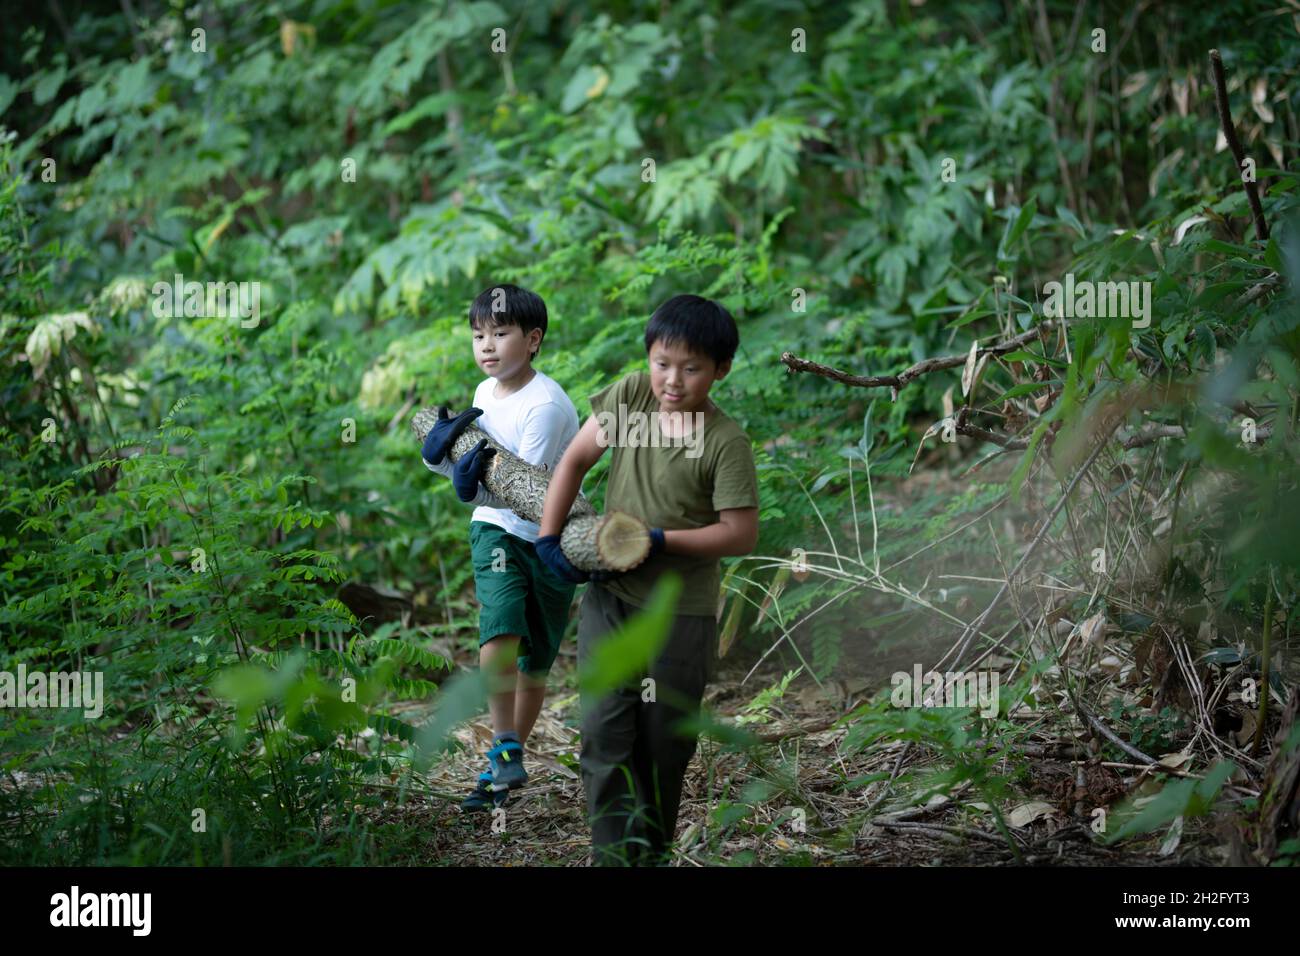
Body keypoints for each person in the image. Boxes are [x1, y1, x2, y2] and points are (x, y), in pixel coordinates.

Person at [534, 294, 759, 864]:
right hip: (610, 599)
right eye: (663, 363)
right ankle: (614, 858)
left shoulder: (725, 442)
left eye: (691, 368)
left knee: (663, 745)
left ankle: (650, 855)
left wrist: (660, 541)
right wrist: (548, 535)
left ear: (720, 370)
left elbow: (739, 534)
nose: (673, 380)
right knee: (604, 735)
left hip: (679, 615)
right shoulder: (633, 395)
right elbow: (575, 461)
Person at [421, 284, 580, 811]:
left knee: (537, 661)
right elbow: (481, 475)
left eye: (501, 333)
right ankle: (504, 740)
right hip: (495, 531)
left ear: (533, 340)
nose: (487, 346)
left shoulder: (547, 407)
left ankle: (503, 766)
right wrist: (439, 461)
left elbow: (528, 492)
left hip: (551, 538)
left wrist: (467, 485)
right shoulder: (484, 393)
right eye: (478, 335)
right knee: (502, 625)